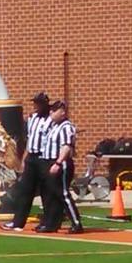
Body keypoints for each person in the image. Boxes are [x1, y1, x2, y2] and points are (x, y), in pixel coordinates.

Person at [0, 92, 53, 232]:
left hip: (45, 157)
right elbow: (30, 140)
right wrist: (24, 159)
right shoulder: (32, 118)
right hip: (32, 157)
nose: (35, 106)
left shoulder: (51, 119)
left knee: (46, 191)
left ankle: (47, 222)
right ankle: (17, 222)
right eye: (35, 103)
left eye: (38, 103)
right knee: (25, 190)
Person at [39, 100, 84, 234]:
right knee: (52, 194)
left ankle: (76, 223)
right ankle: (52, 223)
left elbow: (66, 147)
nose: (63, 113)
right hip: (50, 161)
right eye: (59, 110)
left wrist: (58, 163)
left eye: (63, 111)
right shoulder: (53, 126)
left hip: (61, 163)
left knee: (63, 194)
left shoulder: (66, 127)